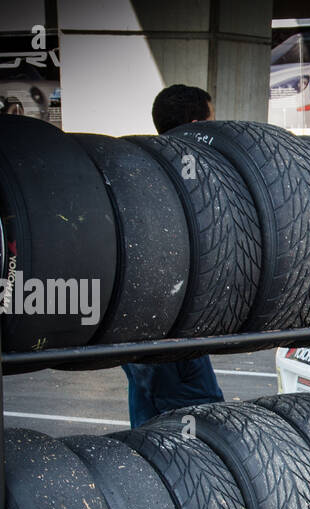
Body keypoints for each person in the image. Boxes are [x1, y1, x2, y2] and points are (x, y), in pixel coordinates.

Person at [122, 84, 225, 427]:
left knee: (148, 420)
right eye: (211, 120)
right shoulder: (189, 176)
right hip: (170, 325)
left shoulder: (139, 165)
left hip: (135, 325)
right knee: (198, 424)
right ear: (196, 124)